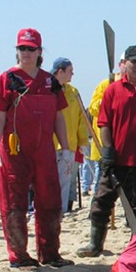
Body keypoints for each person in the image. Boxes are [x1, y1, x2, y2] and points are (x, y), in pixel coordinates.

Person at [0, 27, 73, 269]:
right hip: (14, 153)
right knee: (13, 202)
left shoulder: (49, 82)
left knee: (50, 200)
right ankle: (19, 255)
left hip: (44, 151)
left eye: (30, 49)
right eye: (21, 48)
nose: (25, 53)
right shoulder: (6, 79)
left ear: (39, 51)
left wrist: (66, 149)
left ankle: (50, 253)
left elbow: (58, 117)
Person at [78, 44, 136, 258]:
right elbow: (104, 124)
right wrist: (108, 151)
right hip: (117, 159)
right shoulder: (112, 90)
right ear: (125, 63)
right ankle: (95, 243)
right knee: (102, 200)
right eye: (135, 62)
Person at [85, 54, 128, 200]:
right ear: (120, 64)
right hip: (105, 140)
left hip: (123, 142)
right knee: (102, 175)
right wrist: (108, 101)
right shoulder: (106, 84)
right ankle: (96, 206)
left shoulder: (131, 86)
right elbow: (93, 108)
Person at [51, 57, 90, 214]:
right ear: (60, 71)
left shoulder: (73, 92)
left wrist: (82, 141)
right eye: (70, 72)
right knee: (47, 181)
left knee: (66, 181)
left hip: (70, 144)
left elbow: (82, 118)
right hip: (50, 144)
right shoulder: (46, 88)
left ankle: (62, 210)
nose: (72, 75)